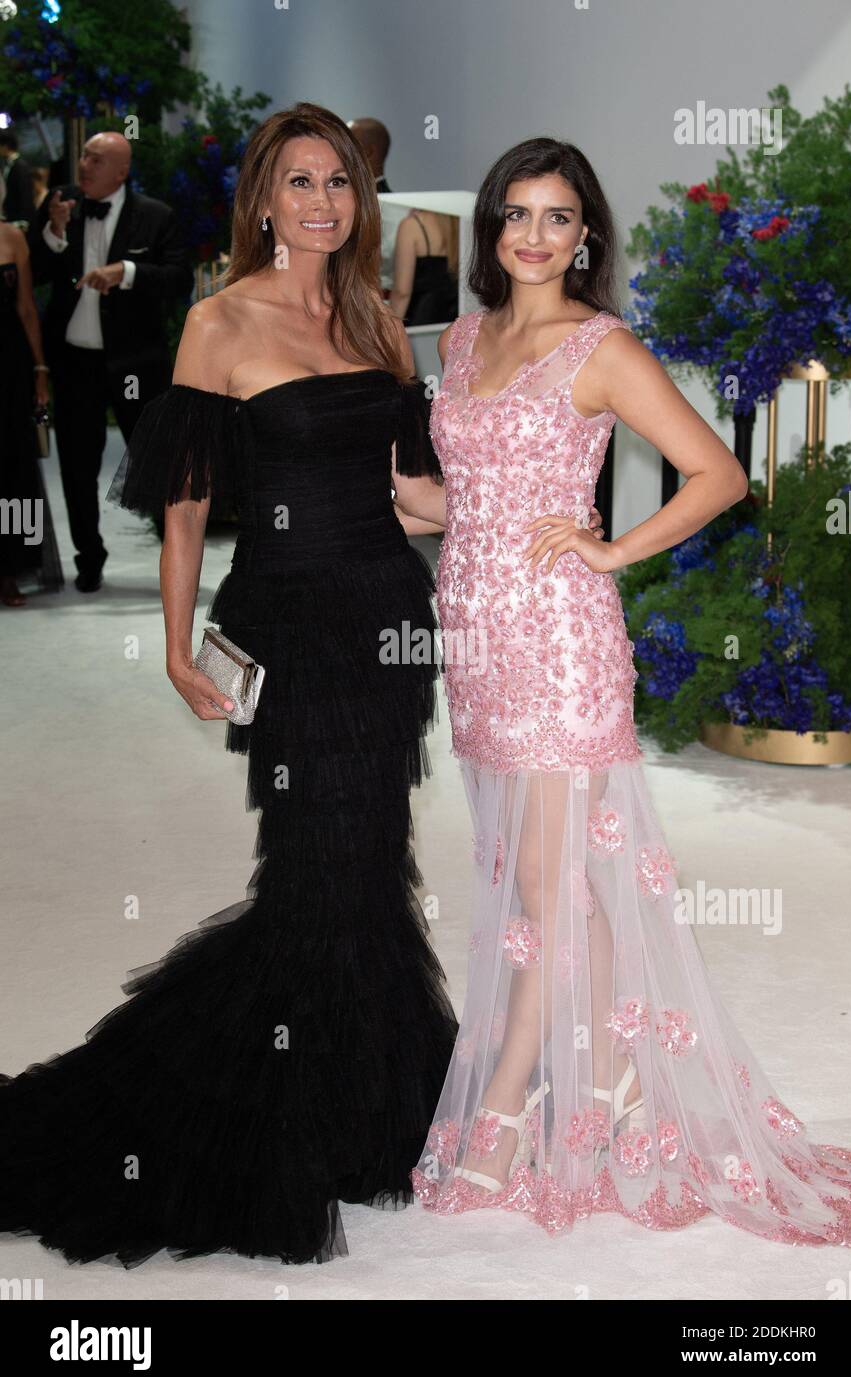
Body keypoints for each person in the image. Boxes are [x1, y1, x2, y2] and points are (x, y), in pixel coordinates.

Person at [0, 102, 457, 1269]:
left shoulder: (377, 320)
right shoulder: (217, 322)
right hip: (289, 628)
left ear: (359, 201)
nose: (319, 202)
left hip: (385, 628)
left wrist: (529, 495)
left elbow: (414, 494)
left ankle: (361, 1113)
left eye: (338, 184)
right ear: (263, 198)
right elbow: (188, 500)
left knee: (361, 867)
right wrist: (170, 641)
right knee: (312, 870)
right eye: (298, 182)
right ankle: (248, 1123)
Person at [396, 137, 851, 1245]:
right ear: (489, 225)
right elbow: (469, 498)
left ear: (585, 235)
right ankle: (606, 1071)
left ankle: (507, 1097)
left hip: (559, 639)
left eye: (556, 217)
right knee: (540, 870)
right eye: (513, 213)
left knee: (544, 890)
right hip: (476, 638)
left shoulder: (599, 347)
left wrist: (612, 554)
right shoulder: (462, 338)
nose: (531, 235)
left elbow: (719, 472)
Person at [28, 131, 192, 592]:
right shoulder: (60, 205)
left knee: (156, 463)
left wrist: (128, 273)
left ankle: (175, 557)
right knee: (77, 463)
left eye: (96, 159)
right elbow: (32, 272)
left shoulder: (156, 216)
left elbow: (179, 279)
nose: (84, 164)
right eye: (83, 155)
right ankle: (88, 558)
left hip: (136, 362)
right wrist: (55, 233)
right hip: (75, 361)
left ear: (122, 170)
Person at [0, 220, 64, 605]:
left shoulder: (11, 236)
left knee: (12, 467)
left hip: (9, 365)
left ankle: (10, 568)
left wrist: (40, 369)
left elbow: (26, 307)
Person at [390, 208, 459, 326]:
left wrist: (390, 328)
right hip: (454, 324)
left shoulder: (412, 226)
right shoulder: (459, 224)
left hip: (418, 323)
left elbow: (402, 292)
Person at [0, 130, 35, 227]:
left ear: (5, 145)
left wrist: (23, 221)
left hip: (19, 221)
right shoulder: (8, 165)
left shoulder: (20, 166)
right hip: (10, 219)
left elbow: (25, 195)